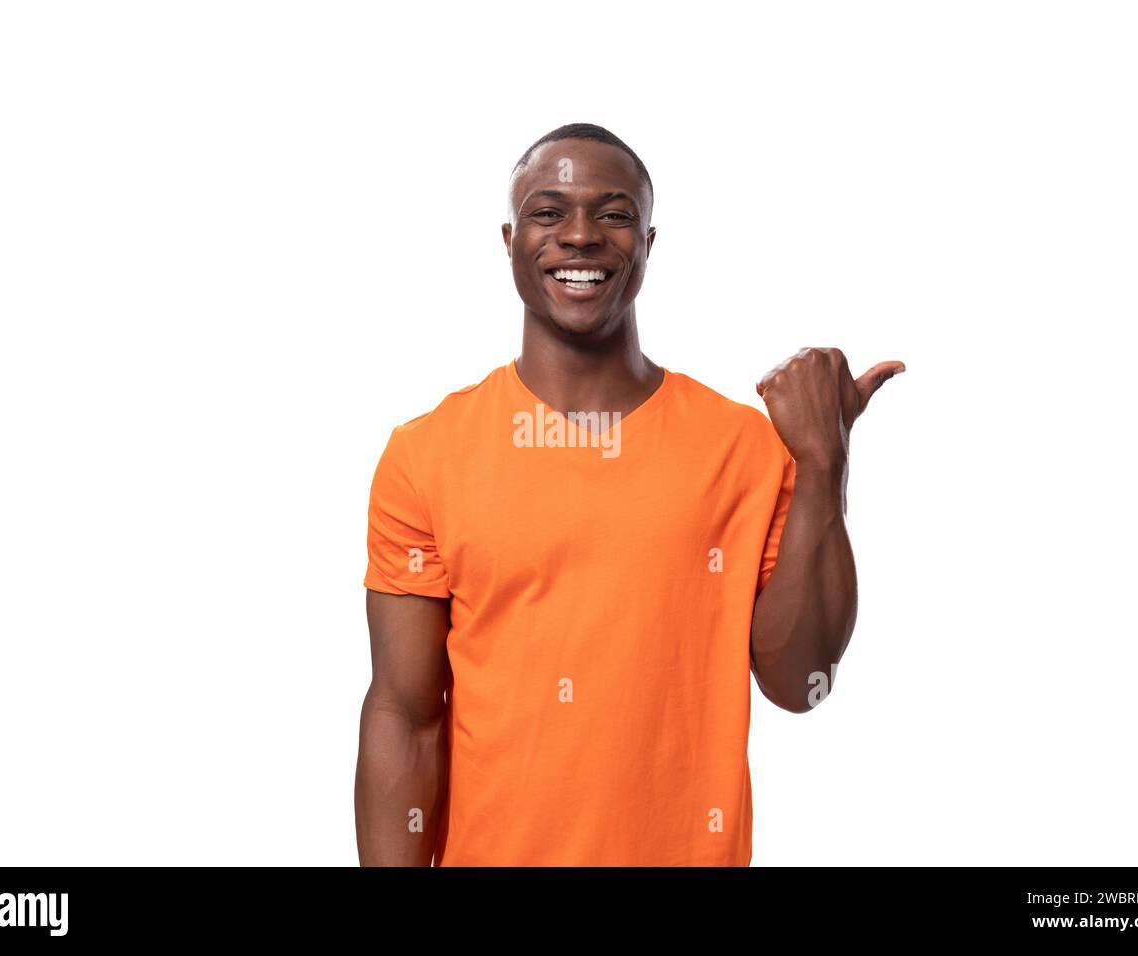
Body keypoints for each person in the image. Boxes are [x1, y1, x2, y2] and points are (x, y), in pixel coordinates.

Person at [355, 123, 904, 866]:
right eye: (550, 213)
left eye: (612, 214)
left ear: (648, 242)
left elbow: (799, 683)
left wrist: (823, 464)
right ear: (510, 239)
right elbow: (404, 712)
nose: (580, 236)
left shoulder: (741, 447)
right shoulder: (424, 455)